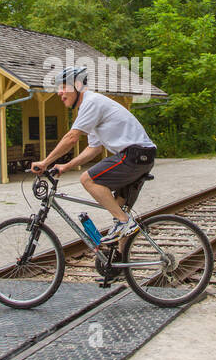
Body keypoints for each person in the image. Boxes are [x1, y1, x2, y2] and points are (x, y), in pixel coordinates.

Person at [30, 66, 157, 242]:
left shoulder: (91, 102)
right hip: (142, 156)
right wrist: (65, 166)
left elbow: (72, 137)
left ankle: (124, 222)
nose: (59, 93)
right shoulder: (91, 107)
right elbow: (93, 149)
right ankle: (120, 262)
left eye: (63, 87)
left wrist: (45, 162)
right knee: (119, 212)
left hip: (134, 155)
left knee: (87, 179)